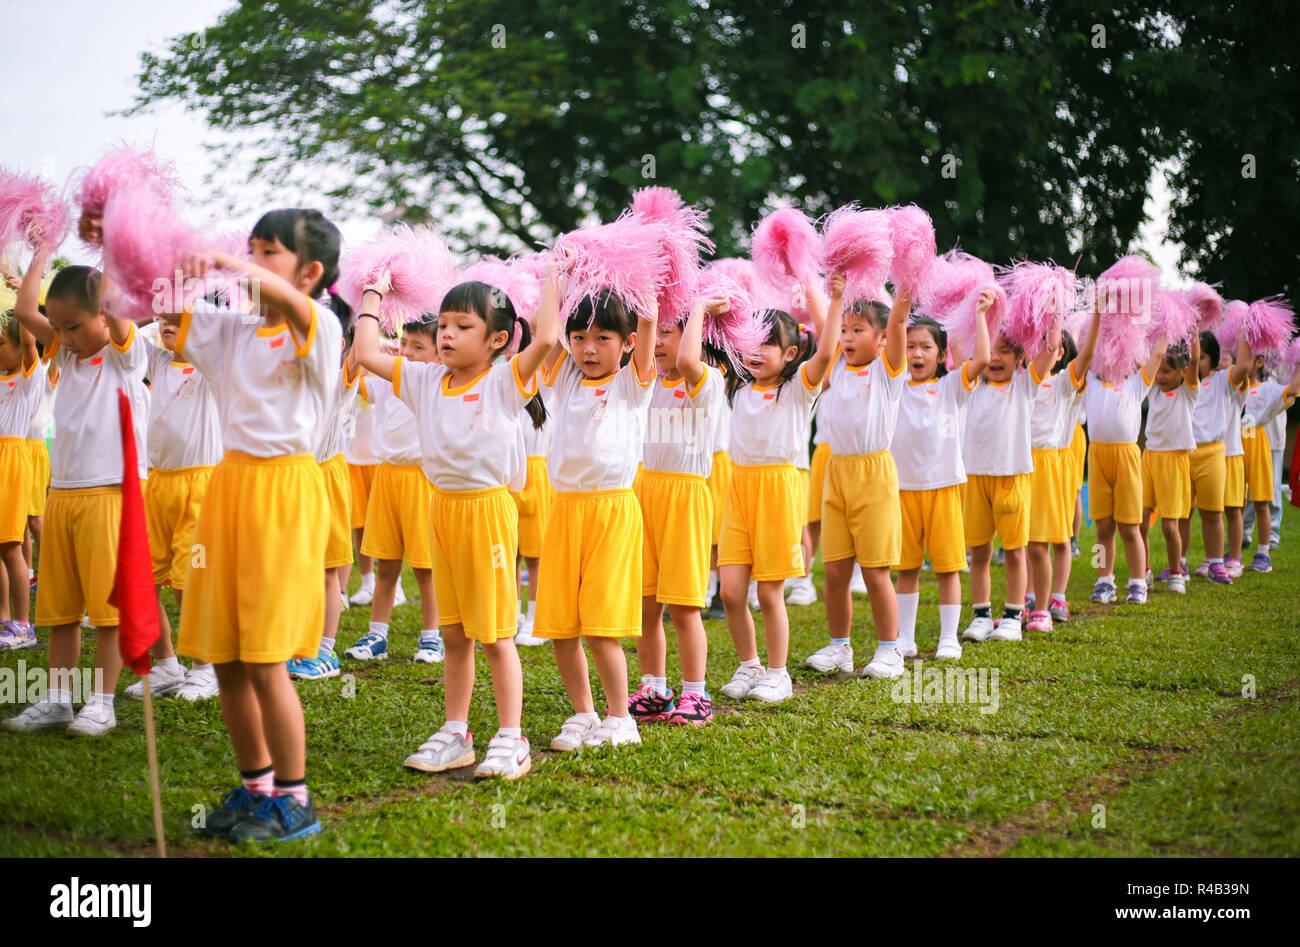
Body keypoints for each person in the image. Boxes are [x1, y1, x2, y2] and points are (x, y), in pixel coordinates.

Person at [168, 208, 345, 841]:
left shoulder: (318, 324)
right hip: (230, 487)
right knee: (226, 658)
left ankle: (294, 802)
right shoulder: (230, 331)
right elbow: (143, 304)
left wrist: (226, 264)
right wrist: (123, 236)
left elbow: (287, 304)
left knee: (267, 659)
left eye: (269, 253)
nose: (254, 262)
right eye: (251, 249)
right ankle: (255, 788)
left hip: (285, 492)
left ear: (311, 271)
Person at [3, 243, 149, 736]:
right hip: (61, 493)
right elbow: (25, 310)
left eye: (75, 326)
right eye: (58, 328)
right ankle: (58, 700)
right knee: (61, 610)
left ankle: (102, 703)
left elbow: (112, 303)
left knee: (108, 612)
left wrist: (112, 235)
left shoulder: (126, 356)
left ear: (106, 317)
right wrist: (43, 251)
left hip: (111, 494)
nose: (63, 337)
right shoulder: (66, 351)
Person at [536, 287, 657, 749]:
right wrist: (557, 282)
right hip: (565, 510)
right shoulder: (565, 379)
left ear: (626, 342)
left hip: (611, 510)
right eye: (580, 337)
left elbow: (648, 321)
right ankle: (584, 713)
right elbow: (544, 331)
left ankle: (620, 717)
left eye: (603, 337)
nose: (588, 348)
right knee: (562, 627)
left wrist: (646, 276)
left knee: (601, 626)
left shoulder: (631, 383)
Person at [719, 278, 838, 701]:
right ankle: (749, 665)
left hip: (779, 489)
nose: (755, 350)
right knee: (731, 590)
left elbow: (827, 351)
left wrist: (830, 297)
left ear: (789, 353)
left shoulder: (797, 390)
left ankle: (777, 673)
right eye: (750, 341)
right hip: (739, 489)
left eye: (766, 343)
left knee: (769, 591)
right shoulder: (737, 385)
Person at [631, 298, 727, 727]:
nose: (662, 341)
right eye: (659, 331)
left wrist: (698, 308)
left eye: (670, 331)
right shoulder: (644, 380)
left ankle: (696, 694)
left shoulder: (707, 381)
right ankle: (654, 689)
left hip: (686, 495)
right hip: (645, 490)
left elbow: (688, 358)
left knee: (684, 605)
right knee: (646, 603)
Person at [885, 305, 988, 660]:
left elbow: (983, 358)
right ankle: (905, 638)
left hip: (944, 487)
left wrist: (978, 315)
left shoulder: (951, 387)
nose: (916, 353)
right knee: (907, 568)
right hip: (903, 490)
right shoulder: (893, 384)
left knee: (947, 568)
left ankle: (949, 638)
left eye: (926, 346)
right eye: (911, 345)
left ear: (942, 355)